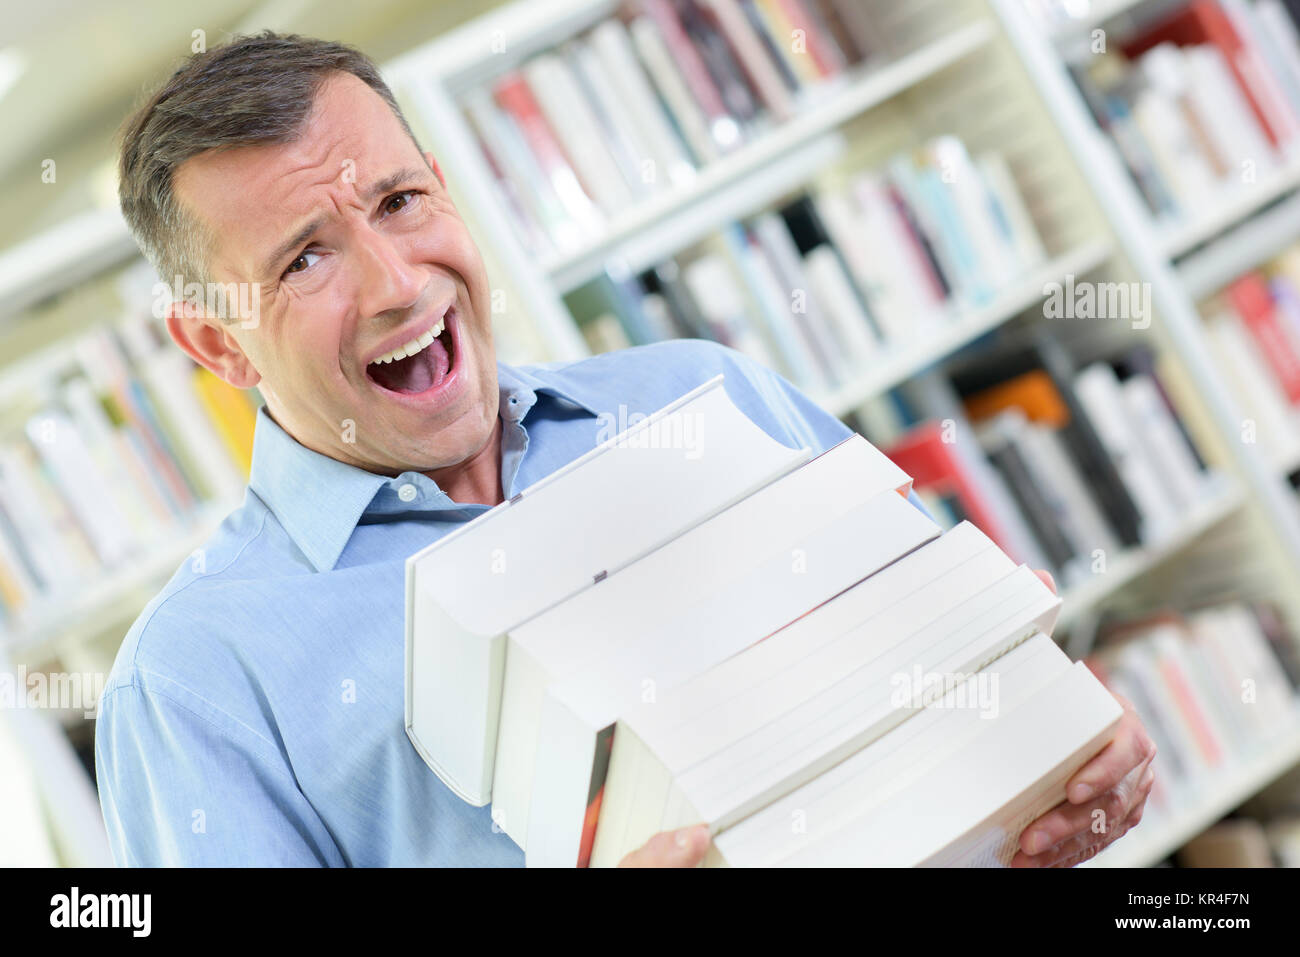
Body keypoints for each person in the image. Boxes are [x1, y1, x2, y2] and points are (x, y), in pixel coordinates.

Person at [97, 32, 1155, 867]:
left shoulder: (704, 392)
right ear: (212, 343)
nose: (399, 283)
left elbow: (955, 675)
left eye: (398, 200)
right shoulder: (195, 679)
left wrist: (1056, 780)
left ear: (445, 190)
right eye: (306, 259)